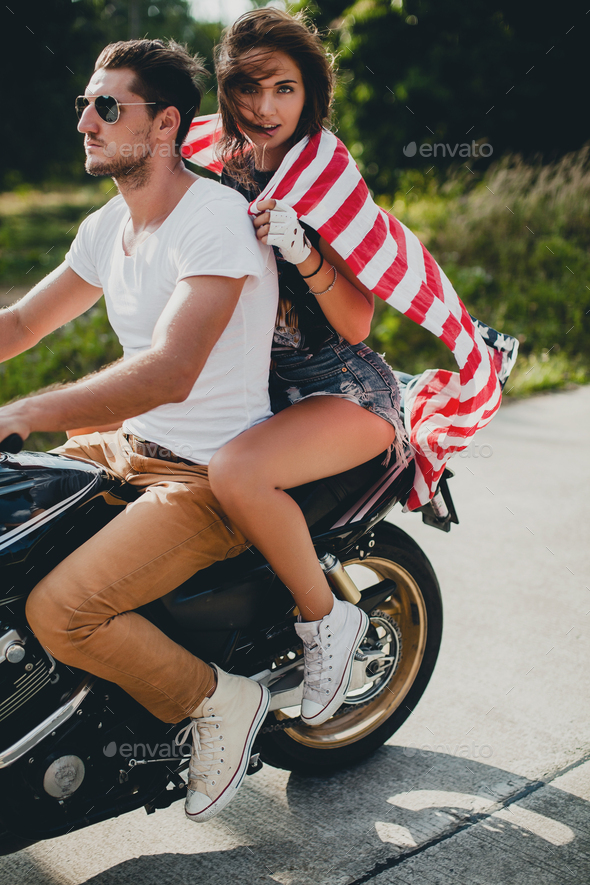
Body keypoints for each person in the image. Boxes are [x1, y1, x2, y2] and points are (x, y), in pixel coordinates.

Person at [0, 39, 279, 823]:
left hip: (204, 474)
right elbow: (23, 320)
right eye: (84, 104)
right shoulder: (108, 227)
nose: (85, 120)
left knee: (63, 609)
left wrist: (24, 411)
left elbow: (169, 373)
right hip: (124, 448)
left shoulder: (213, 219)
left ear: (163, 126)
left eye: (106, 105)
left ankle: (219, 701)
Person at [207, 9, 408, 728]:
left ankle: (329, 623)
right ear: (227, 90)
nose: (265, 107)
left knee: (236, 473)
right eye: (250, 88)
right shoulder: (216, 164)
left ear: (309, 93)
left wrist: (300, 246)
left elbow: (358, 321)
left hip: (342, 387)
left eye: (284, 89)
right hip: (253, 384)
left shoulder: (326, 172)